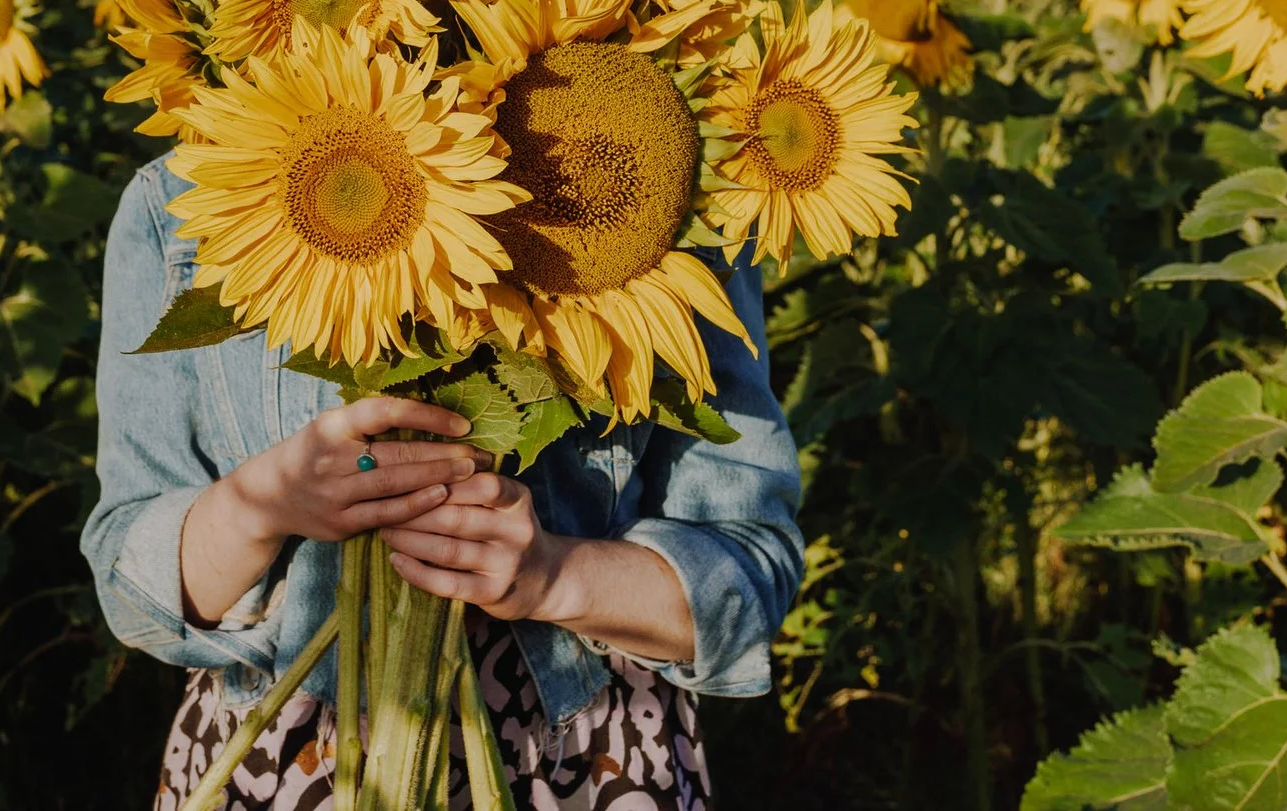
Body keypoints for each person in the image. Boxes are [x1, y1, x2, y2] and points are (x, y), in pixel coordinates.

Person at [81, 156, 805, 810]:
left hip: (577, 765)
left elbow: (751, 564)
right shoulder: (182, 197)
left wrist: (554, 575)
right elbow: (131, 588)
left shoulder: (655, 180)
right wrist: (262, 505)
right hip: (286, 762)